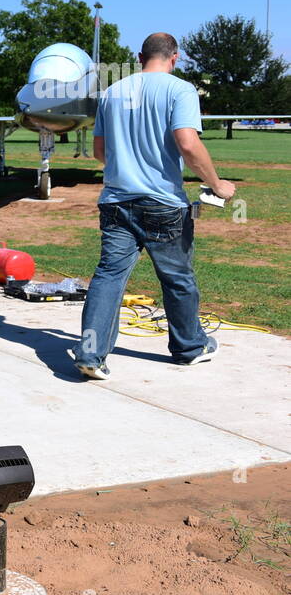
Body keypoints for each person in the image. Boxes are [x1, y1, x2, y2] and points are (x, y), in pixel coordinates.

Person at [72, 32, 237, 380]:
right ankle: (190, 347)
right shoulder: (180, 90)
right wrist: (217, 184)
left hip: (116, 201)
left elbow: (101, 152)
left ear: (139, 56)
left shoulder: (112, 91)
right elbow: (187, 144)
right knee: (177, 278)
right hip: (163, 204)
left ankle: (90, 351)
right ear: (174, 57)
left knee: (108, 276)